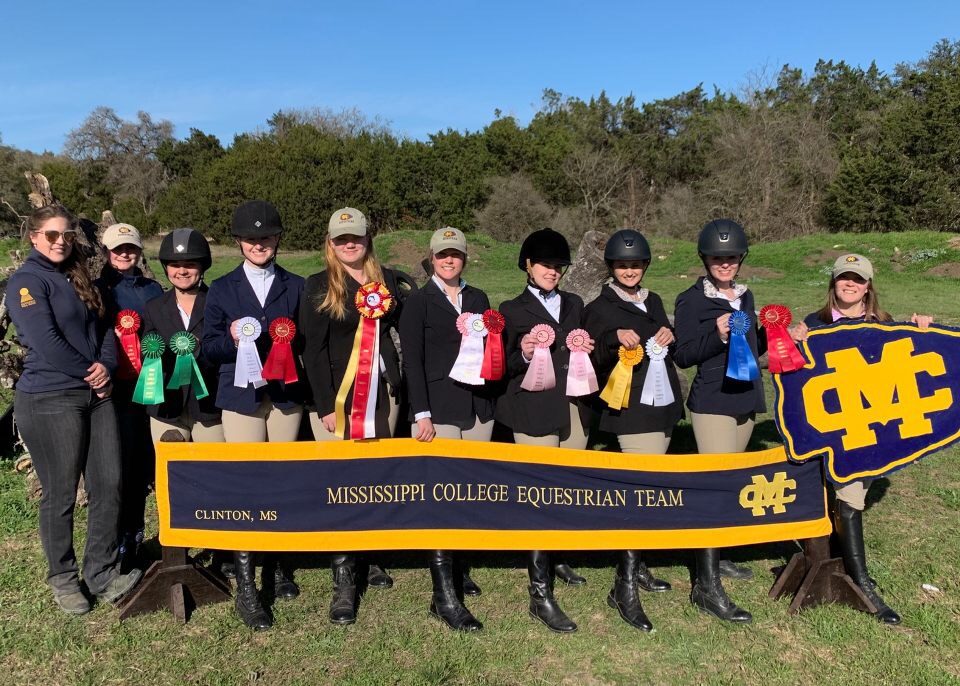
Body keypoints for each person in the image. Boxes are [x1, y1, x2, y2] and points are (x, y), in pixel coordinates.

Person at [8, 205, 142, 615]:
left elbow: (102, 327)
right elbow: (44, 340)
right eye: (51, 234)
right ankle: (63, 578)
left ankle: (100, 571)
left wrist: (106, 365)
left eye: (66, 234)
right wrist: (90, 371)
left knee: (109, 484)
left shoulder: (78, 273)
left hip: (96, 396)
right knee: (61, 493)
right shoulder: (27, 282)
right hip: (51, 398)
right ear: (33, 236)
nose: (60, 241)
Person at [790, 253, 930, 625]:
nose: (849, 284)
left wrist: (923, 332)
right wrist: (790, 341)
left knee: (850, 497)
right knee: (821, 494)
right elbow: (784, 371)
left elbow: (912, 364)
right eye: (842, 278)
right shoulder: (813, 323)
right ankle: (822, 558)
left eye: (857, 279)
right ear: (833, 283)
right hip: (822, 426)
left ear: (868, 286)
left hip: (864, 430)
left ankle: (861, 580)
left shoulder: (885, 325)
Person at [203, 200, 305, 631]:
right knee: (246, 484)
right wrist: (231, 338)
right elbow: (208, 348)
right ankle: (246, 584)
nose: (259, 244)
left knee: (281, 481)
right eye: (251, 238)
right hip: (241, 396)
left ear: (277, 239)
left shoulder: (297, 286)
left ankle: (279, 562)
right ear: (239, 243)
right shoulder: (222, 289)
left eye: (266, 237)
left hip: (285, 397)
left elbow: (305, 342)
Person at [300, 207, 405, 625]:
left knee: (375, 477)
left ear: (367, 240)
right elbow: (312, 351)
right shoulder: (317, 286)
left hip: (384, 396)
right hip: (338, 403)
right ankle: (344, 576)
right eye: (342, 239)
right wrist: (326, 405)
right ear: (330, 242)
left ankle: (371, 555)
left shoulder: (389, 281)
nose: (350, 244)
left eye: (356, 238)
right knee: (340, 483)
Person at [495, 227, 594, 633]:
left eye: (557, 266)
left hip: (573, 405)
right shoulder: (511, 308)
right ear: (528, 267)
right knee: (539, 494)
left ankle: (559, 556)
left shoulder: (574, 304)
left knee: (567, 485)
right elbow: (499, 363)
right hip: (533, 408)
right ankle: (540, 593)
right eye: (545, 265)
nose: (552, 272)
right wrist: (523, 350)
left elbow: (584, 347)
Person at [583, 229, 681, 632]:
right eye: (622, 265)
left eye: (636, 264)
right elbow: (589, 347)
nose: (629, 270)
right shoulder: (599, 306)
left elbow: (663, 344)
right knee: (638, 495)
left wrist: (669, 335)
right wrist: (612, 338)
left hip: (663, 407)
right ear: (611, 267)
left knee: (650, 490)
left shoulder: (653, 299)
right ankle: (623, 586)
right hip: (632, 410)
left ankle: (638, 567)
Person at [398, 227, 494, 632]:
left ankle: (460, 567)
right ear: (431, 258)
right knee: (441, 497)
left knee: (469, 491)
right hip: (438, 409)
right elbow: (412, 364)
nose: (449, 260)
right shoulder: (419, 302)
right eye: (442, 255)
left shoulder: (479, 299)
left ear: (464, 258)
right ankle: (442, 596)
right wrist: (420, 413)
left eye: (455, 254)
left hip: (478, 409)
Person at [673, 219, 766, 624]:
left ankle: (719, 556)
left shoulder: (746, 296)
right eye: (717, 258)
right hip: (711, 402)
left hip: (744, 400)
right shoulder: (690, 300)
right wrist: (718, 333)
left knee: (729, 486)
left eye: (730, 257)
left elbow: (758, 349)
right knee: (713, 489)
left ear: (740, 259)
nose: (724, 264)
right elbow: (684, 355)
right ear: (705, 259)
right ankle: (706, 587)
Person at [95, 222, 164, 571]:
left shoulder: (153, 290)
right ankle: (120, 542)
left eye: (131, 248)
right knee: (120, 472)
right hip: (114, 393)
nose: (125, 254)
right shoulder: (94, 290)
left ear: (139, 251)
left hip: (151, 390)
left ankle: (150, 536)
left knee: (148, 467)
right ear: (107, 252)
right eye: (118, 248)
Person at [142, 228, 223, 443]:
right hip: (167, 408)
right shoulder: (153, 307)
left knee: (213, 471)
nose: (182, 271)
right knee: (170, 472)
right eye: (175, 265)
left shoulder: (218, 303)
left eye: (190, 264)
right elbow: (147, 352)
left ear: (202, 266)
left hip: (210, 406)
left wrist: (200, 350)